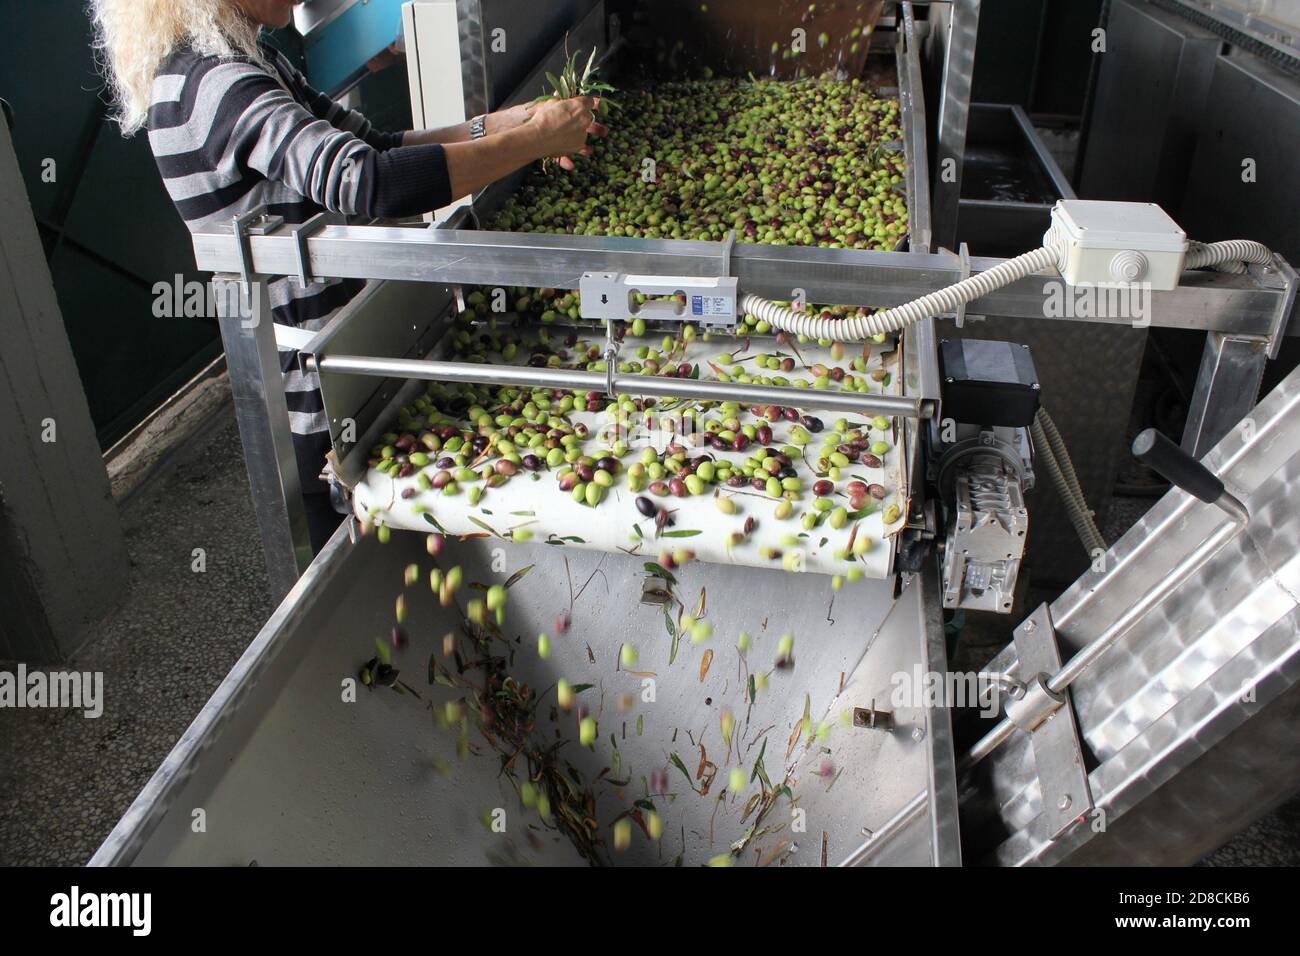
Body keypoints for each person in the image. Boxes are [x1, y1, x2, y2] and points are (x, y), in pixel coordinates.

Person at [90, 0, 605, 551]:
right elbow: (370, 183)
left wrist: (503, 124)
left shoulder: (244, 59)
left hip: (354, 359)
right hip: (318, 395)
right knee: (356, 564)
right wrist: (533, 143)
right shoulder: (217, 88)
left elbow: (375, 148)